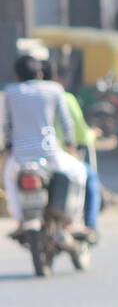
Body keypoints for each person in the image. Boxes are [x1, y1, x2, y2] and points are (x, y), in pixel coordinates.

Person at [2, 54, 88, 236]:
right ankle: (72, 221)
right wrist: (71, 146)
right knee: (80, 172)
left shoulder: (10, 92)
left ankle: (20, 221)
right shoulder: (54, 89)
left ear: (17, 75)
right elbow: (66, 123)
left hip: (20, 157)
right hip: (50, 154)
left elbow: (6, 126)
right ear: (40, 73)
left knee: (9, 180)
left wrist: (9, 149)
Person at [46, 58, 101, 243]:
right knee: (90, 177)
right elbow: (79, 132)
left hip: (27, 158)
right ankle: (89, 225)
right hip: (58, 157)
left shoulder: (19, 94)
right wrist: (92, 134)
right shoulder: (63, 97)